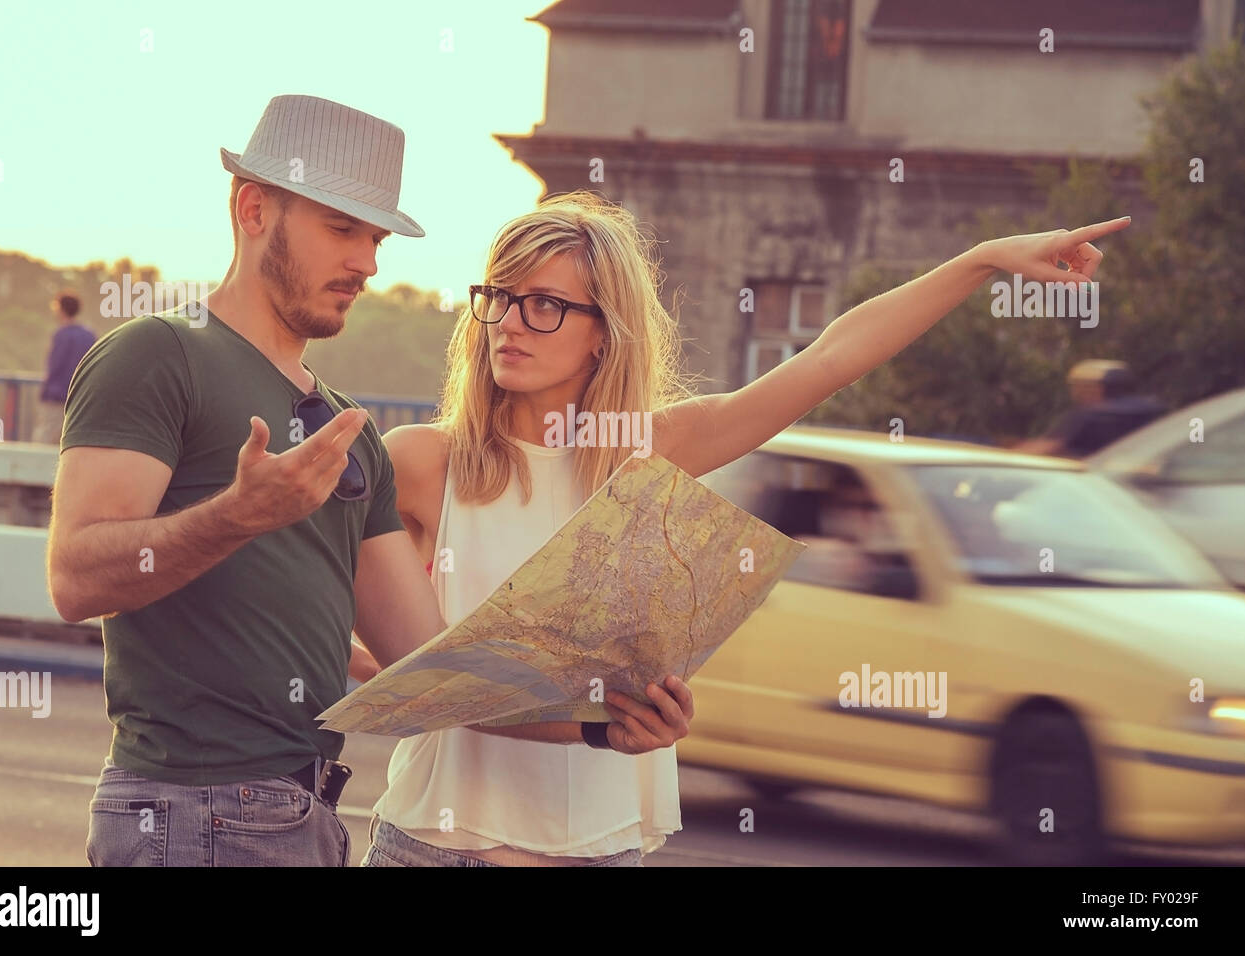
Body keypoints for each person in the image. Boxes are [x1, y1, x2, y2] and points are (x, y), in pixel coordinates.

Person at [361, 193, 1131, 867]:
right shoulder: (423, 463)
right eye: (499, 296)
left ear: (605, 333)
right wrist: (384, 678)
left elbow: (832, 357)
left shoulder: (649, 452)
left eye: (546, 304)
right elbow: (407, 672)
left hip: (600, 852)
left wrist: (981, 261)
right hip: (437, 847)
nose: (510, 324)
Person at [47, 95, 686, 868]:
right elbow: (76, 578)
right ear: (254, 209)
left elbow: (434, 670)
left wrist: (599, 722)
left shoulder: (347, 428)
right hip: (191, 809)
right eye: (341, 229)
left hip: (308, 814)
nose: (368, 262)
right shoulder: (157, 354)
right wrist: (237, 516)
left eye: (376, 237)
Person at [1017, 359, 1167, 458]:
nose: (1075, 393)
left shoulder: (1088, 416)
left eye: (1077, 386)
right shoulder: (1155, 412)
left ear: (1096, 388)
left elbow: (1044, 450)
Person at [32, 291, 94, 444]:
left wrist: (45, 392)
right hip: (80, 397)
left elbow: (55, 366)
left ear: (61, 309)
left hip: (57, 396)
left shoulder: (62, 335)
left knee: (45, 439)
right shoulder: (89, 335)